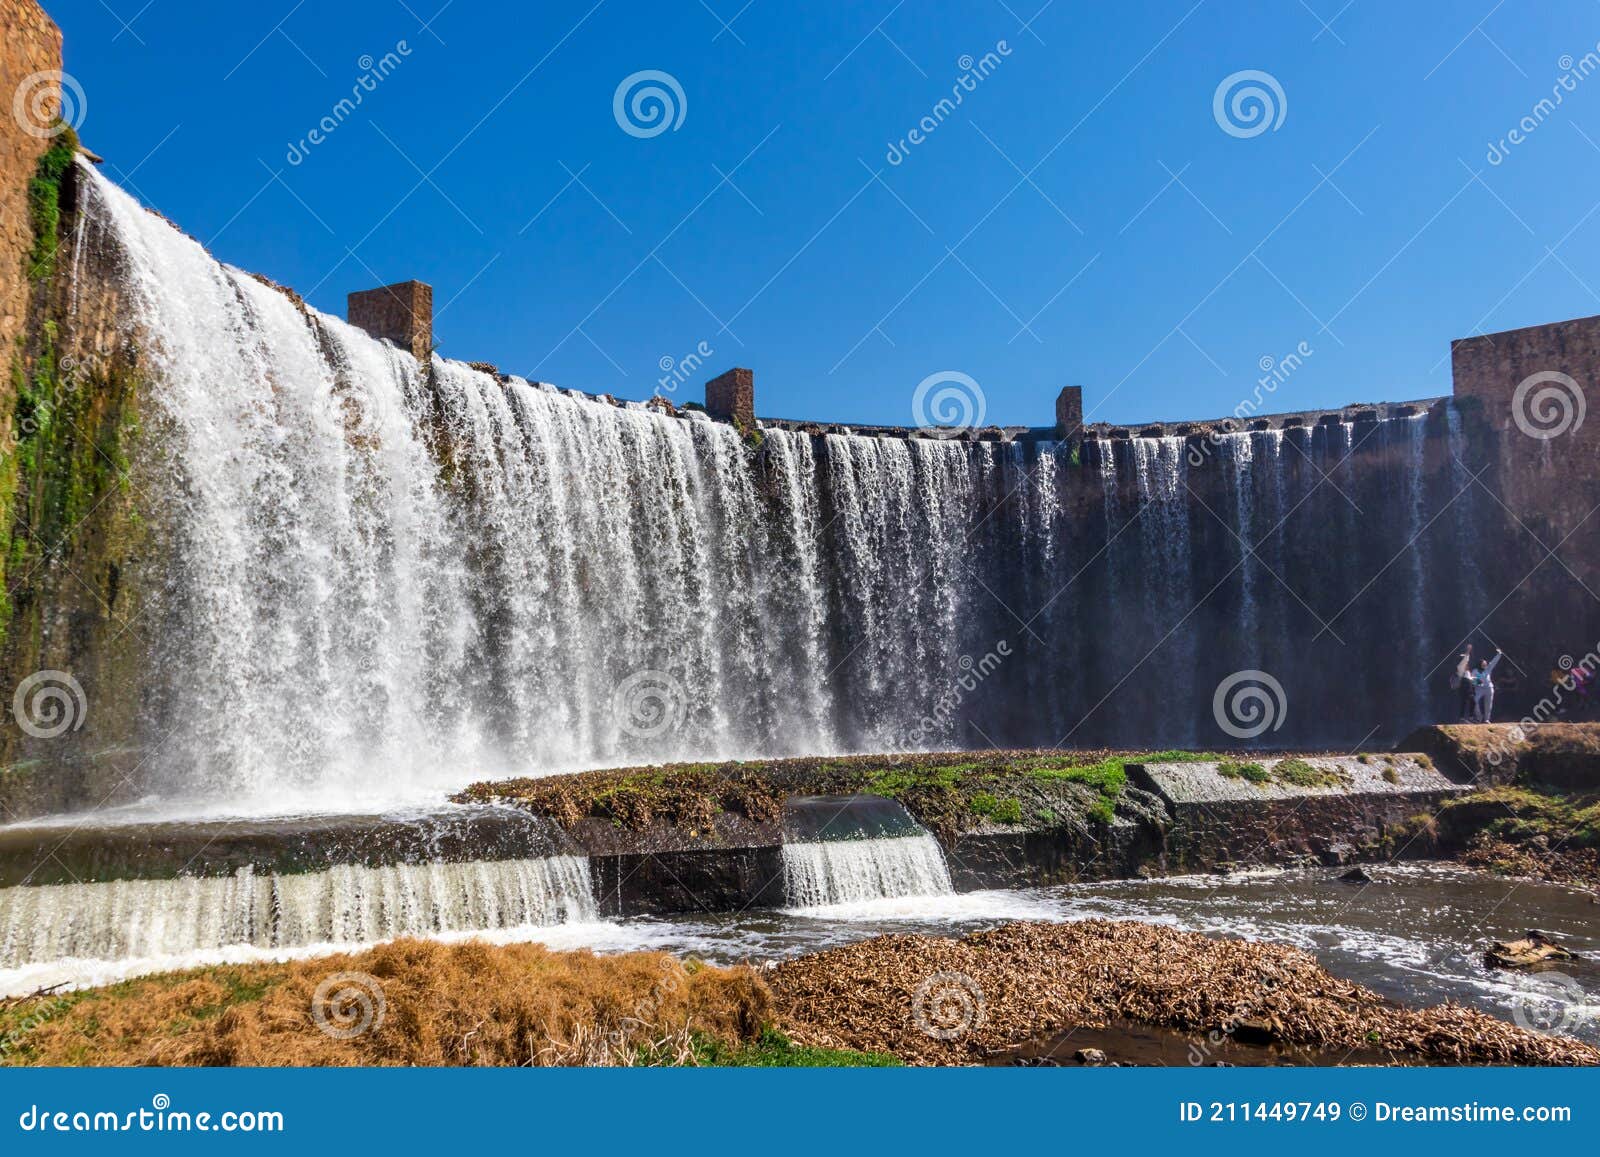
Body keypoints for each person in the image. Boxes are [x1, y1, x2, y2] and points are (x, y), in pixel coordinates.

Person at [1474, 648, 1503, 722]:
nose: (1485, 665)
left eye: (1485, 664)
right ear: (1480, 664)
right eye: (1483, 664)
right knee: (1474, 701)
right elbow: (1473, 681)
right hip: (1479, 688)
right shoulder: (1475, 671)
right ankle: (1479, 717)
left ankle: (1487, 719)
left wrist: (1499, 654)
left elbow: (1493, 662)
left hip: (1489, 688)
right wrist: (1478, 682)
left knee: (1488, 704)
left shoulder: (1488, 669)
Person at [1452, 644, 1474, 722]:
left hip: (1468, 685)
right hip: (1465, 685)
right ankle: (1466, 717)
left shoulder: (1466, 670)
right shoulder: (1460, 666)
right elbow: (1466, 659)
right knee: (1468, 701)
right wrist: (1468, 650)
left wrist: (1475, 680)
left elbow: (1470, 678)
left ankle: (1465, 717)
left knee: (1467, 701)